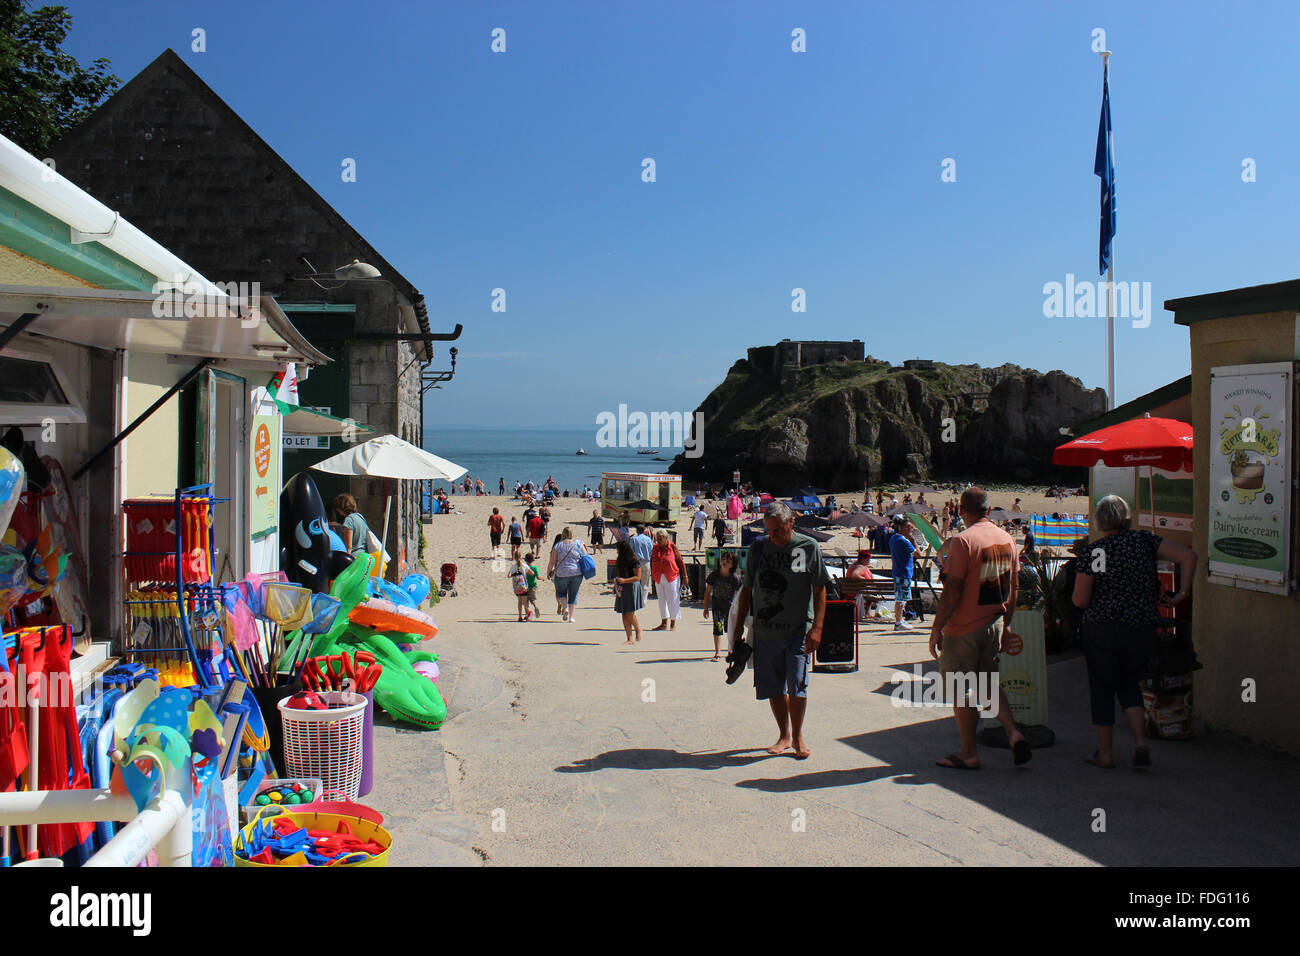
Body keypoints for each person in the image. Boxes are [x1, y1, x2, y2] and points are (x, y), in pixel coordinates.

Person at [1072, 495, 1197, 769]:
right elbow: (1188, 556)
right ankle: (1140, 742)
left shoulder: (1098, 552)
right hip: (1141, 626)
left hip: (1103, 628)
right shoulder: (1145, 542)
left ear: (1100, 521)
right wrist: (1182, 594)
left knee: (1103, 687)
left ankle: (1105, 754)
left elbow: (1081, 599)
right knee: (1130, 683)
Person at [928, 487, 1031, 770]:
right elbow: (1014, 587)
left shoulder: (963, 541)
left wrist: (937, 627)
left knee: (962, 690)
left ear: (961, 511)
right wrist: (1006, 624)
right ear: (989, 510)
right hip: (994, 623)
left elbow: (953, 589)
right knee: (987, 685)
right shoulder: (1007, 539)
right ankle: (1013, 731)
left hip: (963, 628)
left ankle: (968, 752)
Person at [729, 501, 829, 760]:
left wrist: (817, 627)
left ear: (791, 523)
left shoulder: (808, 547)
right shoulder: (759, 548)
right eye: (769, 531)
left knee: (798, 685)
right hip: (765, 632)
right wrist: (738, 629)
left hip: (798, 630)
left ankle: (797, 736)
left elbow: (820, 589)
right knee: (773, 688)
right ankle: (784, 734)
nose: (773, 536)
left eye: (779, 531)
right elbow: (747, 591)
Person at [703, 552, 742, 661]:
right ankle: (718, 652)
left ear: (733, 564)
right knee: (717, 628)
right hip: (717, 607)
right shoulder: (714, 575)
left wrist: (740, 609)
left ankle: (731, 650)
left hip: (730, 609)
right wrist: (706, 608)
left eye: (728, 561)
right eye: (723, 560)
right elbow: (707, 592)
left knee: (730, 630)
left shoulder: (735, 578)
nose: (724, 562)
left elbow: (740, 594)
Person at [547, 527, 590, 623]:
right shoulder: (578, 544)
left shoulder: (558, 546)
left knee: (561, 592)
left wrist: (548, 572)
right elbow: (586, 555)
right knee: (573, 594)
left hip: (561, 573)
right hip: (576, 572)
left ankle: (565, 607)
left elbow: (552, 561)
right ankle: (571, 617)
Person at [650, 530, 687, 631]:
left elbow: (680, 561)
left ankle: (673, 622)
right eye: (657, 539)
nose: (659, 541)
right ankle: (663, 622)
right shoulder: (655, 548)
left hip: (671, 576)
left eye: (661, 539)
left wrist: (685, 576)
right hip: (658, 576)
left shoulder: (672, 547)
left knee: (672, 599)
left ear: (666, 538)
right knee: (661, 600)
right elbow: (652, 561)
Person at [613, 539, 645, 644]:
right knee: (624, 614)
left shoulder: (634, 561)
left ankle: (638, 629)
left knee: (630, 613)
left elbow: (638, 577)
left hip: (631, 587)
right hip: (622, 587)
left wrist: (625, 580)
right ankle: (629, 638)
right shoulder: (620, 560)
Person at [889, 517, 916, 630]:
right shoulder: (903, 540)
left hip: (898, 570)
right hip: (903, 572)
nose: (912, 529)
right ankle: (898, 622)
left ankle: (900, 620)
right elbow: (917, 553)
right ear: (905, 528)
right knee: (901, 598)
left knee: (901, 598)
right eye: (910, 527)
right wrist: (913, 539)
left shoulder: (893, 538)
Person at [333, 494, 371, 558]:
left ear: (341, 507)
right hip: (364, 556)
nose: (337, 510)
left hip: (354, 558)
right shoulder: (360, 517)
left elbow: (348, 547)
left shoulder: (349, 520)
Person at [846, 549, 877, 620]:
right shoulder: (860, 567)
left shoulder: (853, 565)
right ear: (863, 559)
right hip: (857, 591)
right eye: (868, 559)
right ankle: (867, 613)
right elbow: (855, 575)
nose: (869, 561)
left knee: (870, 591)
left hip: (850, 591)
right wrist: (865, 581)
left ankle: (867, 613)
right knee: (871, 592)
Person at [630, 525, 655, 597]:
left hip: (636, 562)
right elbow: (651, 550)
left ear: (637, 530)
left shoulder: (633, 539)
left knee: (635, 580)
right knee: (645, 583)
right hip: (646, 561)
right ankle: (643, 601)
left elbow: (631, 551)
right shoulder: (648, 539)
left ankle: (636, 598)